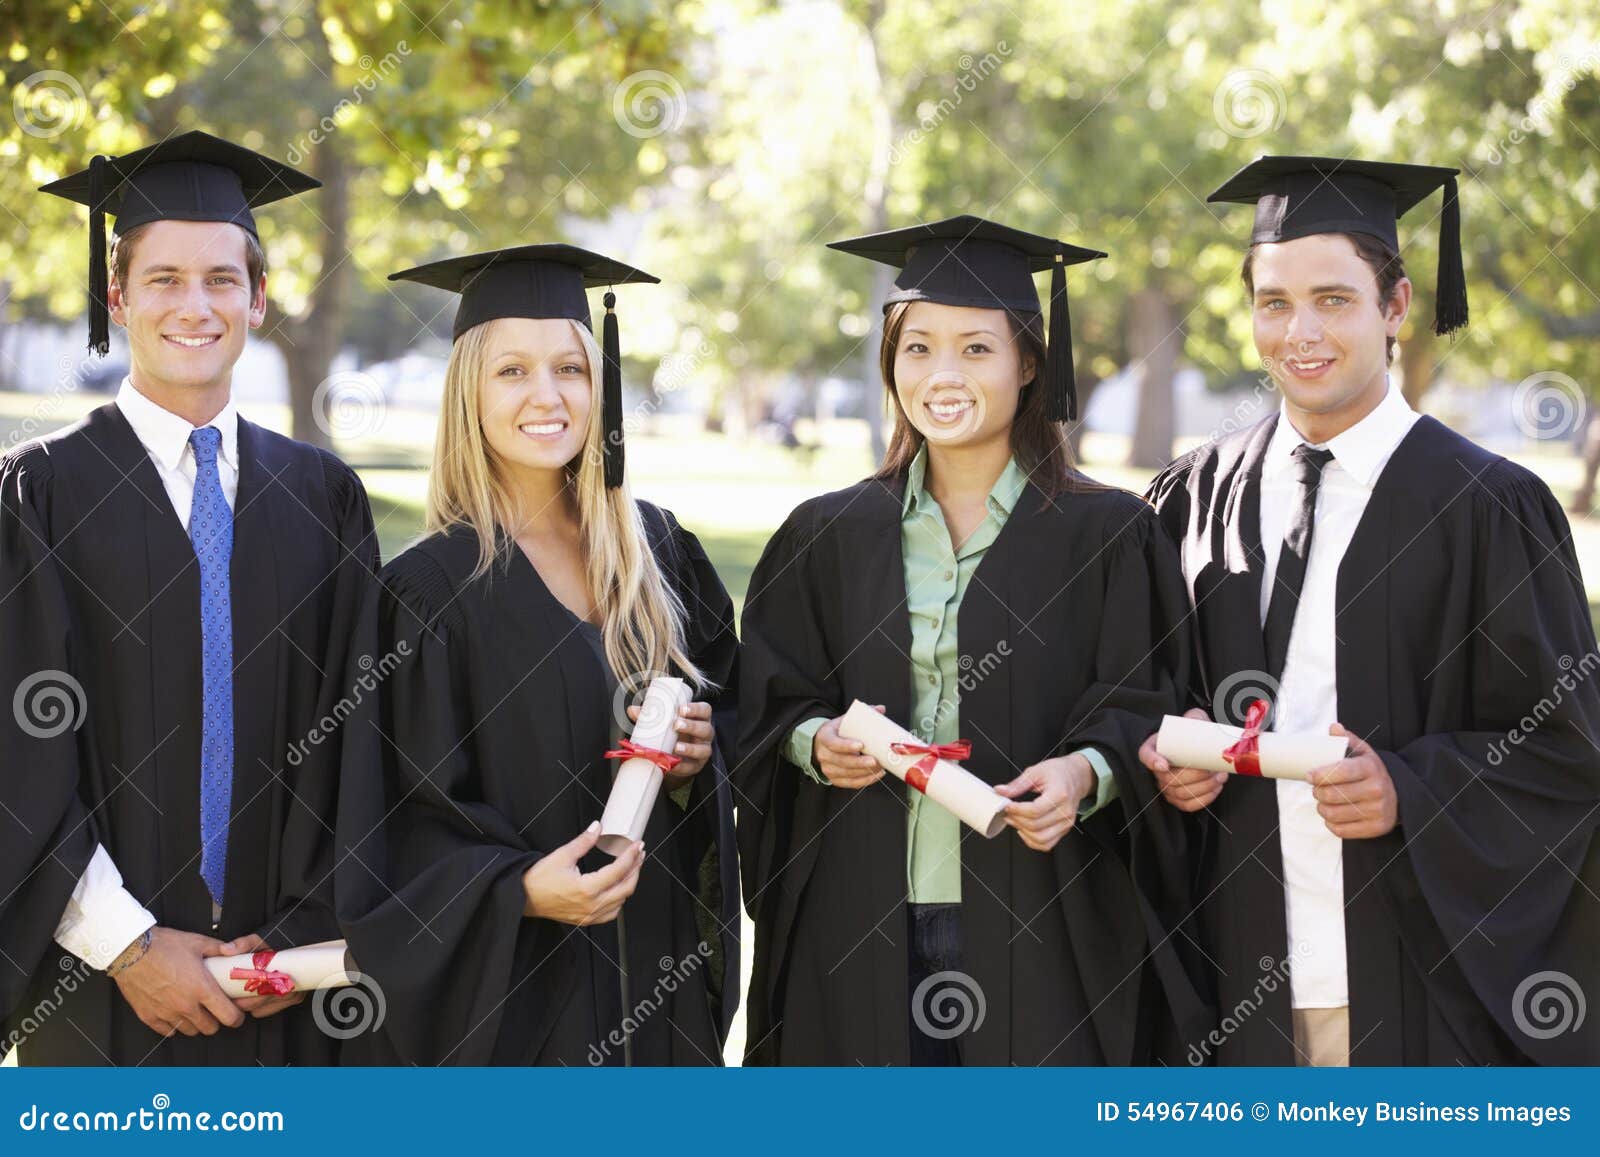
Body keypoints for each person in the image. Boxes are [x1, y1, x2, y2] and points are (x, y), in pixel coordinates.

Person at [1142, 155, 1600, 1065]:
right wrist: (1162, 749)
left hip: (1411, 982)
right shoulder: (1192, 496)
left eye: (1334, 299)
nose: (1299, 332)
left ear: (1395, 307)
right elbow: (1132, 690)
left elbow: (1568, 753)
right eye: (1273, 302)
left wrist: (1412, 787)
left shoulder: (1488, 506)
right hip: (1230, 980)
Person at [737, 215, 1210, 1065]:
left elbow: (1151, 700)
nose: (942, 374)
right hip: (861, 919)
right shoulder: (826, 534)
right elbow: (763, 696)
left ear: (1029, 362)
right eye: (917, 348)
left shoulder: (1108, 536)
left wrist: (1084, 772)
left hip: (1047, 918)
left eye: (977, 349)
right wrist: (816, 743)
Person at [1, 131, 379, 1064]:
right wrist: (128, 947)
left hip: (284, 991)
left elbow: (362, 738)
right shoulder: (35, 495)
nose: (194, 305)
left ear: (257, 298)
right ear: (117, 296)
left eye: (220, 278)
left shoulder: (322, 497)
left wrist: (293, 945)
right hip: (92, 992)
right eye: (163, 278)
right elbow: (13, 752)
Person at [336, 245, 740, 1065]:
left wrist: (705, 756)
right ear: (469, 394)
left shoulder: (661, 553)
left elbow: (741, 718)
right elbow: (396, 821)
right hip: (519, 1005)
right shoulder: (427, 591)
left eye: (569, 368)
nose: (547, 396)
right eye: (512, 372)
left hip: (657, 986)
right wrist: (515, 888)